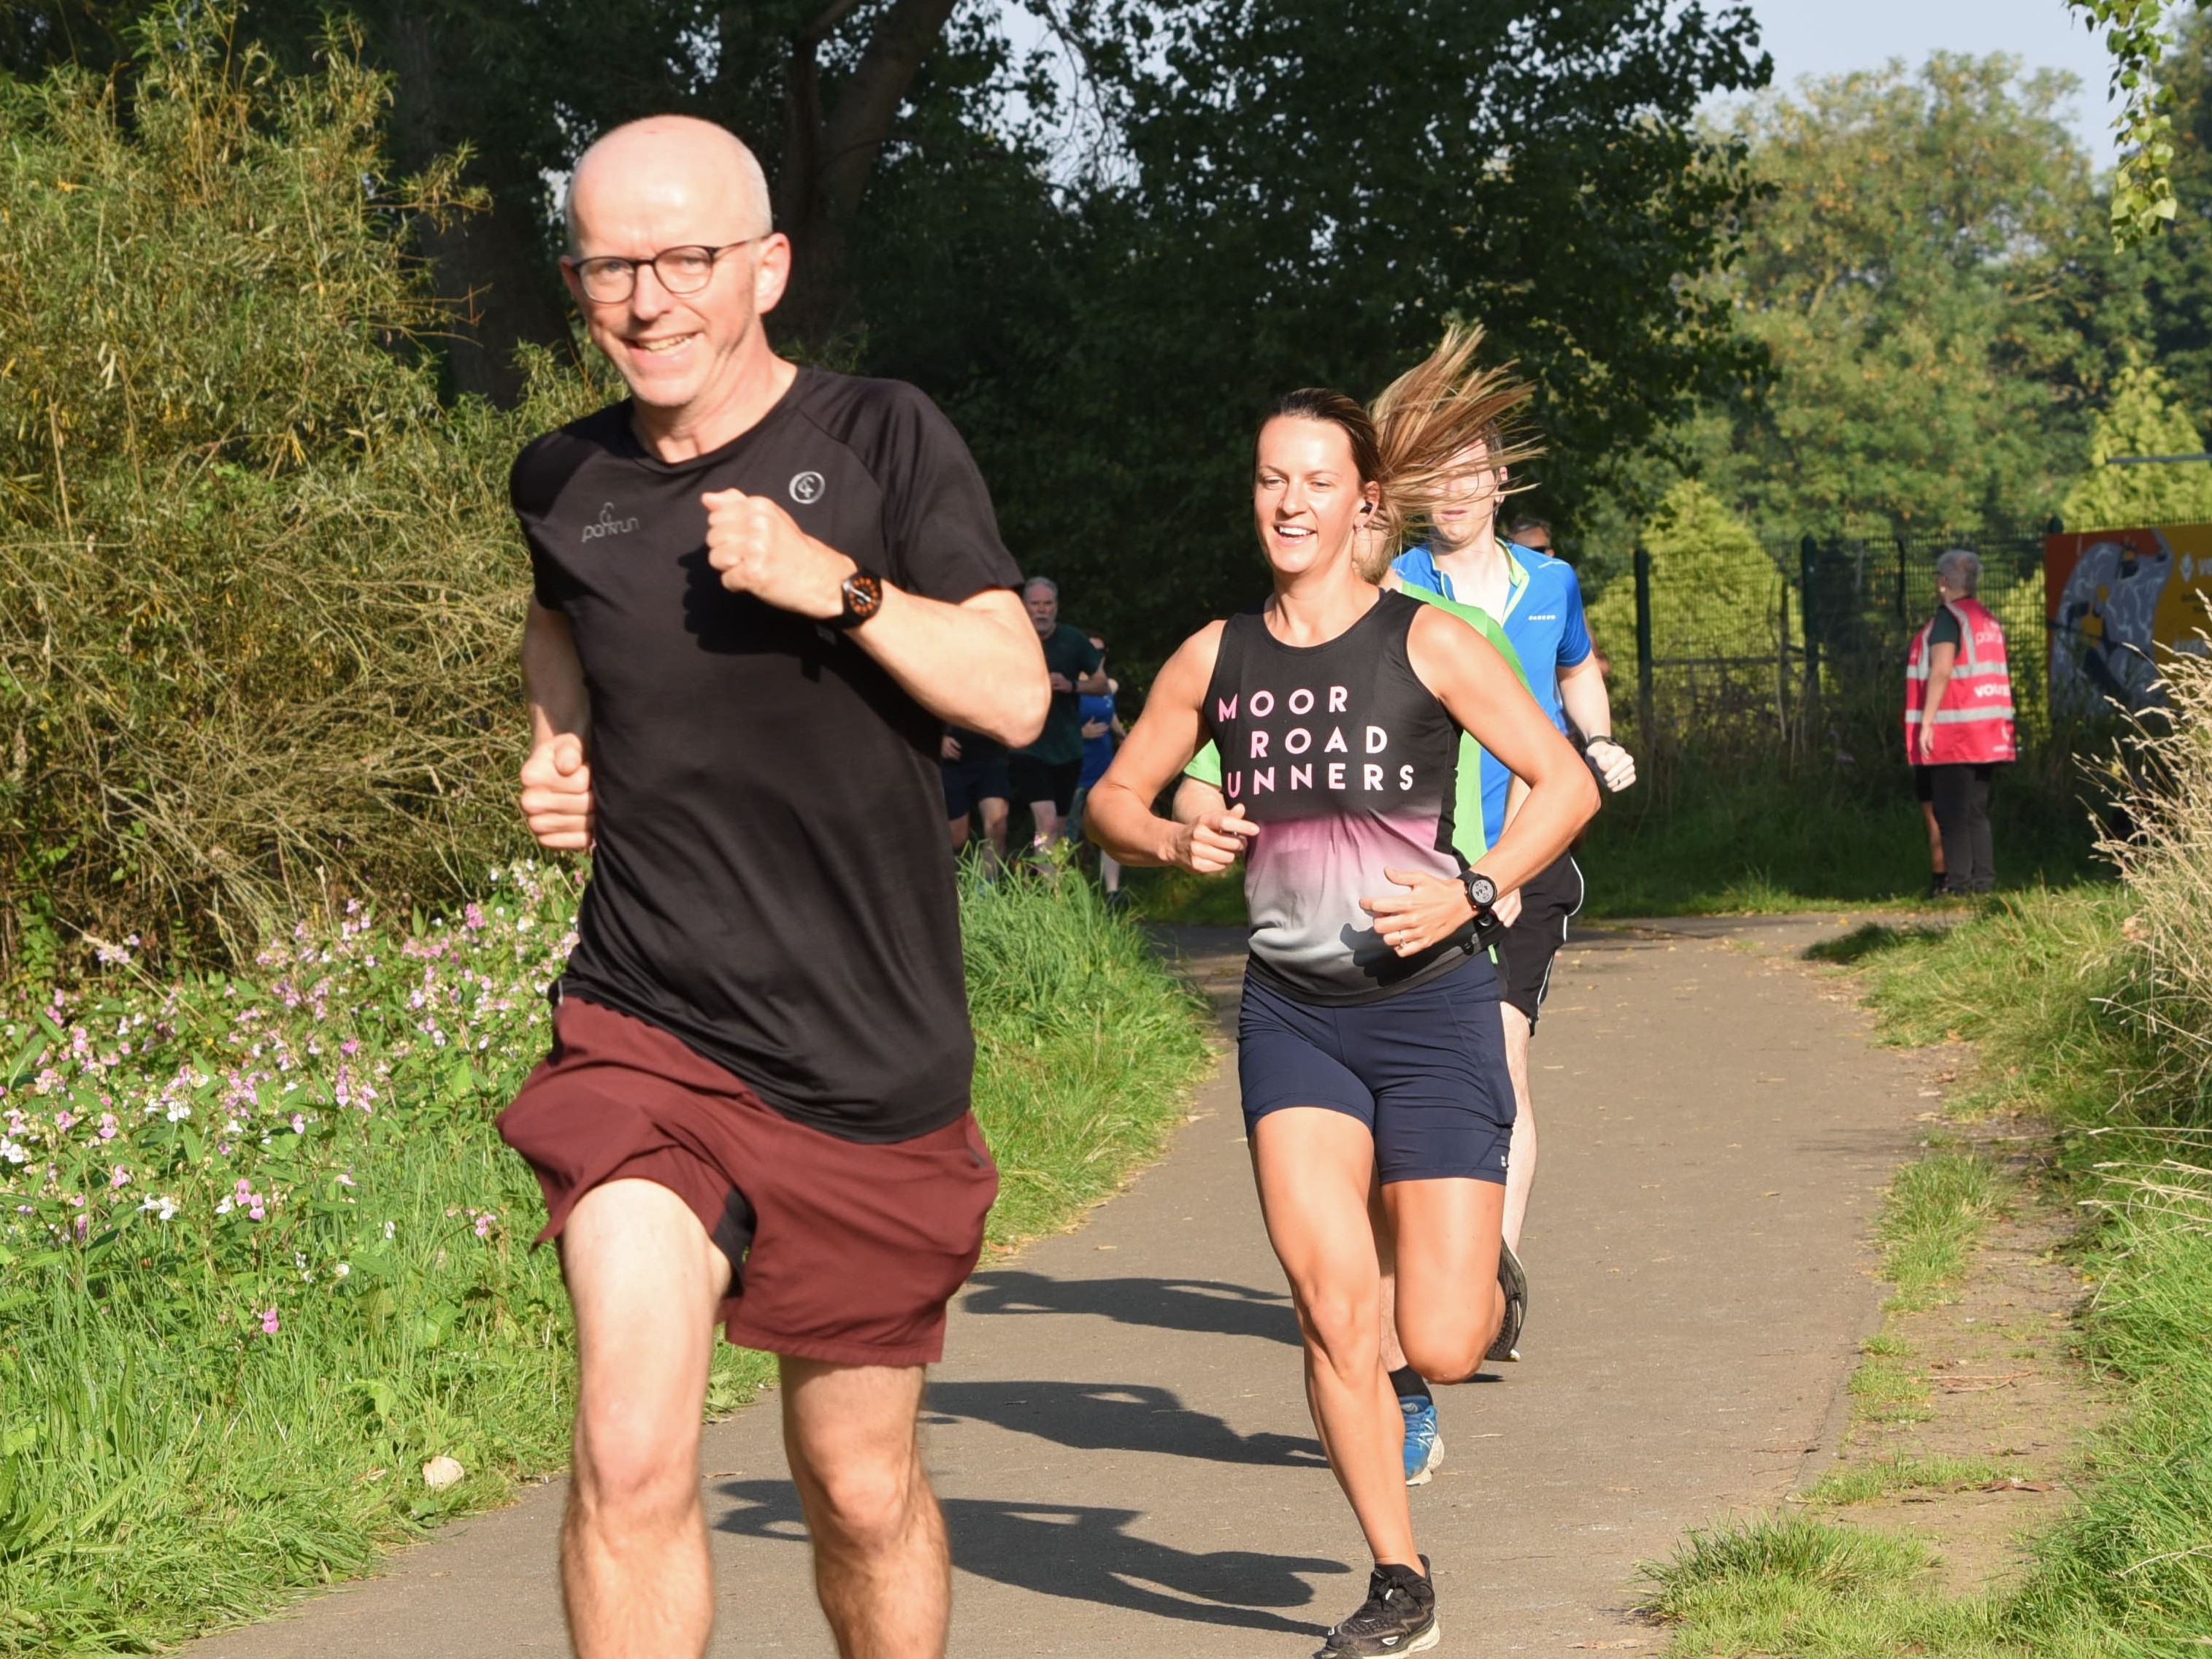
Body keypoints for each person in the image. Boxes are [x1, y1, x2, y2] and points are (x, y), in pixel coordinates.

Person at [499, 115, 1048, 1659]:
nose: (650, 297)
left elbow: (1011, 694)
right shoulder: (564, 477)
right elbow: (560, 626)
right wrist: (558, 748)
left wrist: (842, 586)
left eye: (686, 258)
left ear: (767, 267)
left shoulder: (880, 439)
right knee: (629, 1447)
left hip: (867, 1060)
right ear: (578, 279)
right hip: (646, 1029)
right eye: (613, 264)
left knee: (859, 1483)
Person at [1086, 368, 1598, 1658]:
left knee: (1437, 1329)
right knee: (1330, 1306)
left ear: (1365, 501)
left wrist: (1479, 884)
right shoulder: (1218, 654)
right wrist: (1176, 832)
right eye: (1272, 480)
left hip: (1431, 1010)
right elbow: (1113, 800)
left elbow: (1565, 781)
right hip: (1294, 1017)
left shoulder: (1427, 640)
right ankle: (1397, 1578)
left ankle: (1486, 1280)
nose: (1291, 502)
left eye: (1318, 482)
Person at [1390, 425, 1636, 1315]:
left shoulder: (1553, 582)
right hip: (1420, 860)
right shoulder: (1395, 581)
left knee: (1501, 1061)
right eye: (1434, 479)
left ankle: (1493, 1280)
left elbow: (1578, 670)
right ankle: (1433, 1257)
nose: (1452, 494)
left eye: (1469, 476)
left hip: (1528, 846)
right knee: (1430, 1070)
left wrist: (1599, 740)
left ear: (1501, 481)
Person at [1907, 548, 2016, 895]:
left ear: (1943, 582)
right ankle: (1982, 882)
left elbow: (1941, 670)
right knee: (1975, 811)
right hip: (1988, 729)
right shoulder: (1986, 619)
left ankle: (1958, 884)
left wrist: (1926, 723)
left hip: (1955, 729)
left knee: (1950, 812)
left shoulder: (1948, 619)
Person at [1010, 577, 1109, 856]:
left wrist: (1071, 685)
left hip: (1067, 747)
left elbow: (1101, 683)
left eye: (1047, 603)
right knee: (1047, 821)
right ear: (1024, 607)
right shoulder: (1012, 639)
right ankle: (1047, 890)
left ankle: (1055, 889)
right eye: (1035, 604)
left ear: (1056, 607)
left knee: (1061, 827)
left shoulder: (1073, 640)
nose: (1041, 610)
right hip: (1027, 745)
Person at [1067, 632, 1126, 904]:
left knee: (1111, 829)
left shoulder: (1107, 688)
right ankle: (1056, 895)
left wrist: (1125, 739)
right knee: (1062, 835)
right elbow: (1048, 728)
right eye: (1091, 650)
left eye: (1101, 651)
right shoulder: (1068, 687)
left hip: (1104, 771)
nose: (1097, 656)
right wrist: (1080, 732)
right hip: (1071, 772)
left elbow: (1111, 717)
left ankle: (1112, 893)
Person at [942, 725, 1012, 870]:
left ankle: (987, 888)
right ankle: (944, 882)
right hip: (954, 755)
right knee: (957, 838)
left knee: (997, 826)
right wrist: (937, 739)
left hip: (991, 754)